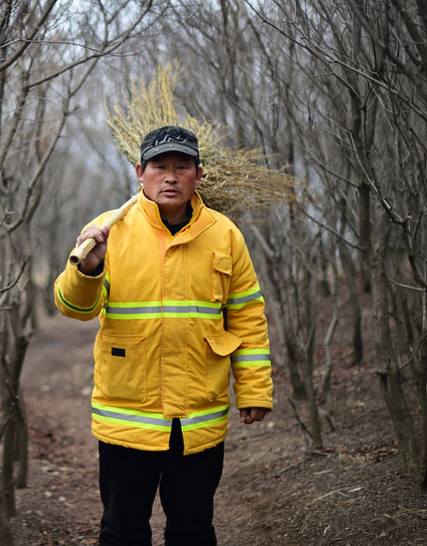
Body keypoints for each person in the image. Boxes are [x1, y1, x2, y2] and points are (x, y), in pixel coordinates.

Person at [54, 125, 273, 546]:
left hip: (198, 421)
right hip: (128, 421)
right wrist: (88, 269)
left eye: (181, 166)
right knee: (122, 531)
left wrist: (254, 390)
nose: (170, 176)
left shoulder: (225, 235)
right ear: (140, 172)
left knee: (193, 531)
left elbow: (246, 318)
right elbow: (74, 308)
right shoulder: (106, 230)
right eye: (159, 166)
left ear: (199, 174)